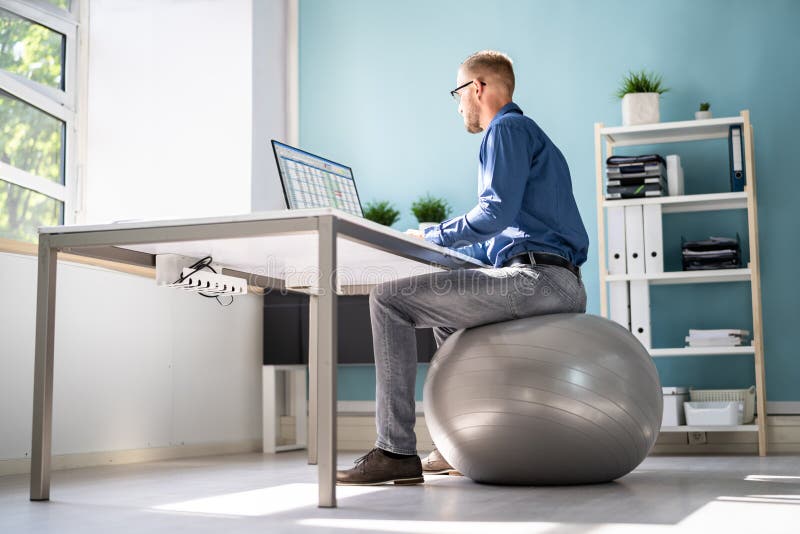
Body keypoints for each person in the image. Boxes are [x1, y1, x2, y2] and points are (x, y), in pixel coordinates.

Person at [337, 50, 589, 485]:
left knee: (387, 300)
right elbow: (502, 234)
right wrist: (437, 243)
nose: (458, 106)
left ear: (478, 88)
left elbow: (493, 212)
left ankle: (395, 450)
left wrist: (432, 237)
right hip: (555, 278)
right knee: (446, 319)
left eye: (458, 93)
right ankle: (458, 444)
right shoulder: (529, 135)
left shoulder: (506, 128)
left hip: (538, 280)